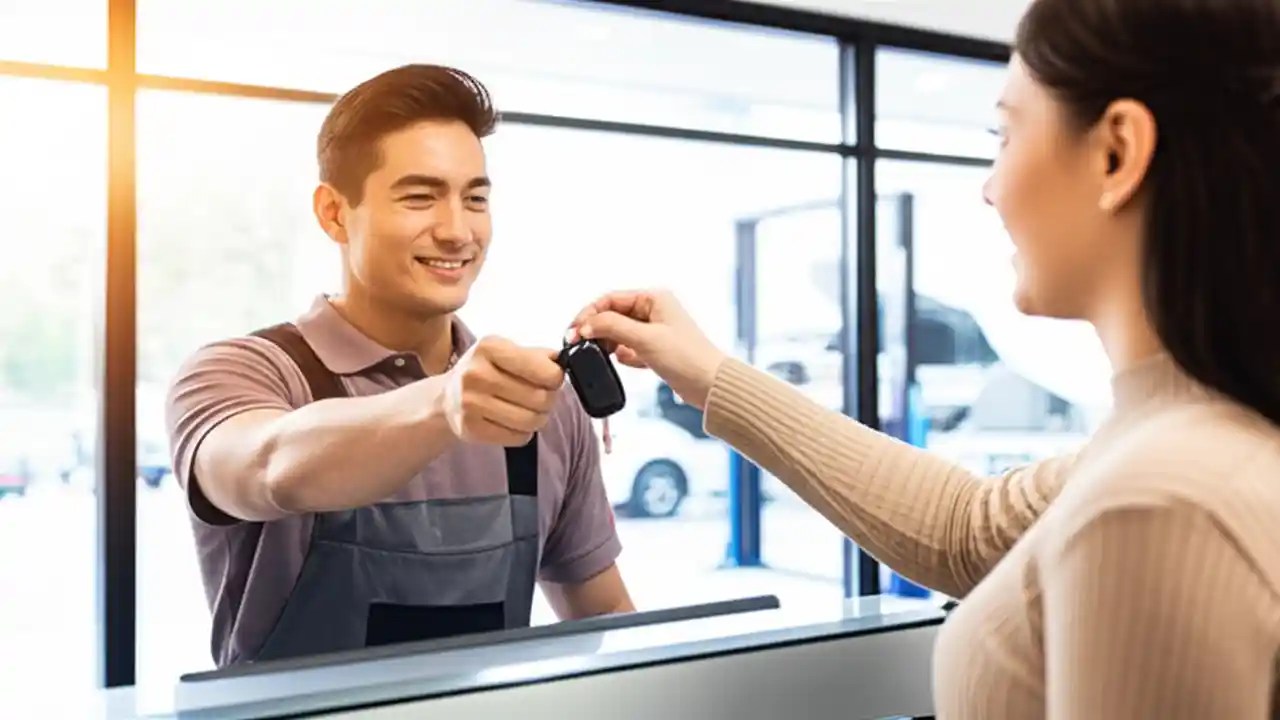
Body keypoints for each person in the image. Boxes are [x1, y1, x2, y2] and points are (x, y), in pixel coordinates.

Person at [569, 0, 1280, 716]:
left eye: (1005, 134)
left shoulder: (1157, 502)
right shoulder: (1193, 443)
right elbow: (965, 528)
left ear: (1116, 154)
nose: (989, 188)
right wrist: (708, 374)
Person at [166, 64, 633, 668]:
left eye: (475, 199)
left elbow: (605, 618)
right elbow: (271, 467)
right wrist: (444, 404)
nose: (457, 232)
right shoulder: (240, 373)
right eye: (420, 197)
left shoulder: (540, 403)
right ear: (334, 213)